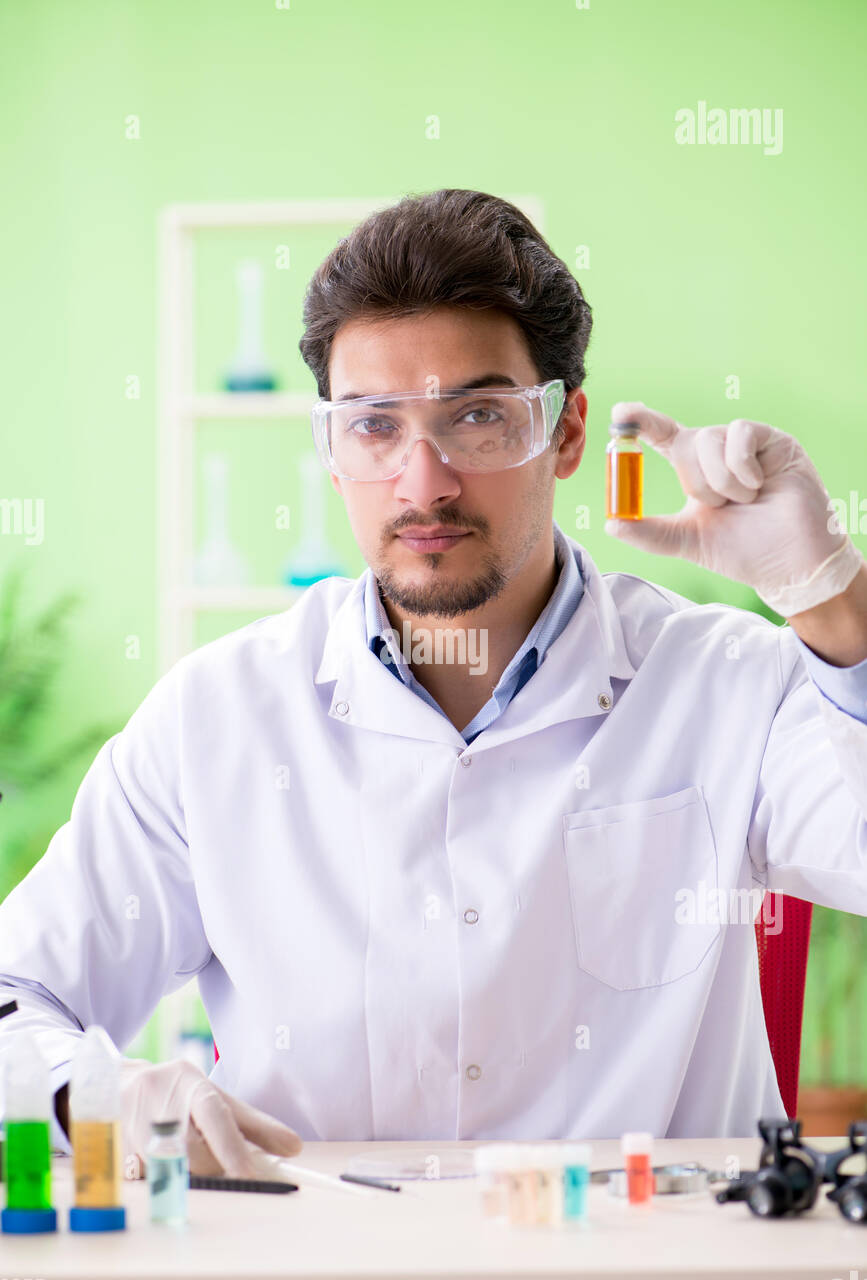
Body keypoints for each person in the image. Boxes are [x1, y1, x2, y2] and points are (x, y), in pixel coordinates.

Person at [1, 188, 866, 1177]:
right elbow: (16, 991)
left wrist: (832, 596)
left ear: (567, 433)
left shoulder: (726, 684)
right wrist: (99, 1092)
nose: (424, 482)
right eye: (375, 426)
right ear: (333, 452)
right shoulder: (216, 721)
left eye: (480, 417)